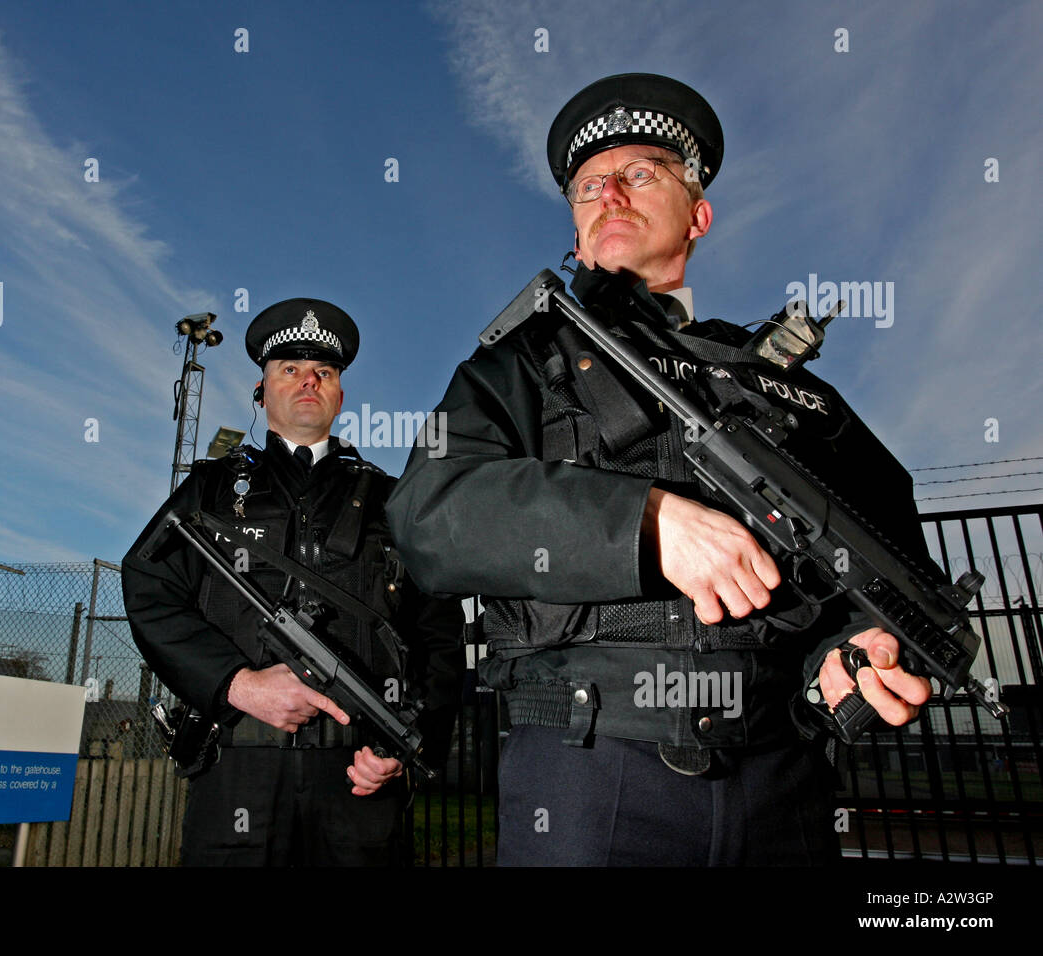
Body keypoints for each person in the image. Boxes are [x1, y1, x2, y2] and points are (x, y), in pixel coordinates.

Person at [385, 73, 934, 865]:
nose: (609, 192)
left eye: (639, 173)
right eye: (586, 186)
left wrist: (856, 650)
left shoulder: (792, 391)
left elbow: (889, 557)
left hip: (784, 777)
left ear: (698, 214)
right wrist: (645, 522)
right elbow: (428, 512)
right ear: (575, 235)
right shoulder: (518, 366)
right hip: (588, 771)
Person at [122, 297, 464, 866]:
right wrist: (238, 684)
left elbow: (439, 631)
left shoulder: (390, 500)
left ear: (339, 396)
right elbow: (149, 589)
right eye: (291, 370)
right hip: (239, 766)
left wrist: (407, 744)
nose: (309, 381)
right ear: (262, 390)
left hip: (359, 776)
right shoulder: (210, 490)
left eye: (323, 373)